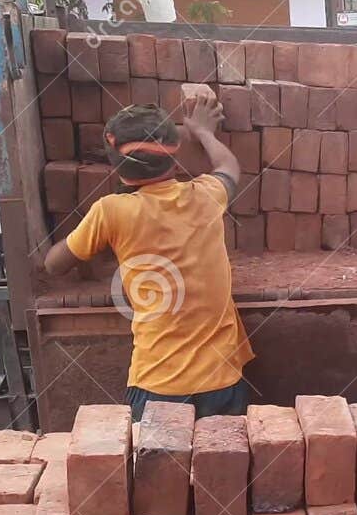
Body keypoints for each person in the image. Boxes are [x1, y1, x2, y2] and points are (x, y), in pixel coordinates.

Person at [42, 100, 253, 421]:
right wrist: (204, 133)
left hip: (158, 385)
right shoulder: (207, 195)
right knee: (223, 467)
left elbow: (54, 265)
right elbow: (229, 167)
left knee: (161, 471)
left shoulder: (110, 211)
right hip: (222, 381)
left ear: (116, 166)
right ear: (175, 154)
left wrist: (98, 238)